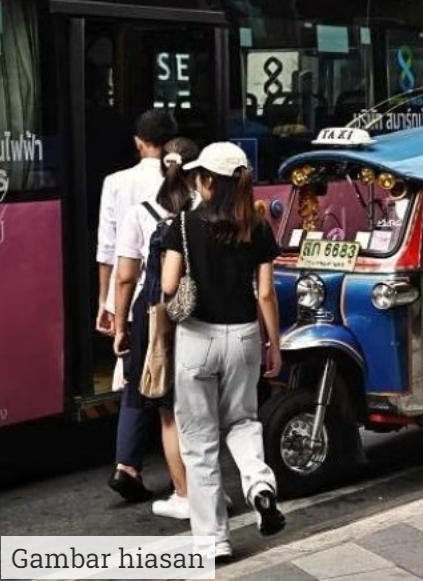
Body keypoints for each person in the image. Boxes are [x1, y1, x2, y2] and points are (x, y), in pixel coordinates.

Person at [161, 142, 285, 558]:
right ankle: (259, 483)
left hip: (197, 337)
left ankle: (214, 540)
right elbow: (265, 293)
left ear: (208, 181)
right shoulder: (259, 225)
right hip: (245, 336)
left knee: (198, 442)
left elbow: (167, 287)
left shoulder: (182, 224)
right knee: (244, 421)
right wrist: (276, 346)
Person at [112, 138, 199, 520]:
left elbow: (126, 276)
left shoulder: (139, 213)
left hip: (152, 317)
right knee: (198, 408)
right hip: (197, 313)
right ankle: (204, 490)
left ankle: (184, 492)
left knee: (165, 408)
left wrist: (119, 326)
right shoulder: (204, 210)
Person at [98, 108, 177, 502]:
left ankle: (126, 464)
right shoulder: (184, 182)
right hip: (172, 298)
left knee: (134, 379)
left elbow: (108, 251)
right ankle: (186, 481)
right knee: (170, 384)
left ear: (137, 141)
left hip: (135, 298)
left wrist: (107, 303)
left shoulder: (115, 183)